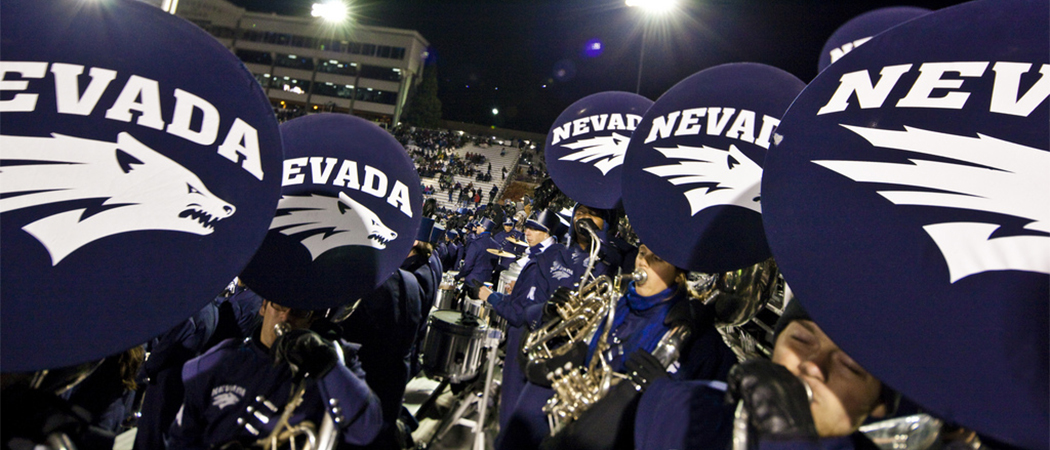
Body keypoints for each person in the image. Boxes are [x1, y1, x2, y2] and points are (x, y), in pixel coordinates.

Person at [499, 242, 735, 450]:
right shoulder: (615, 303)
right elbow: (539, 335)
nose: (643, 263)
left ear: (679, 276)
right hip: (569, 419)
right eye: (642, 253)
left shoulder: (693, 334)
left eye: (656, 259)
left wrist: (664, 391)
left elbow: (708, 417)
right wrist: (553, 316)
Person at [631, 299, 898, 450]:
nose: (814, 366)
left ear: (879, 404)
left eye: (850, 365)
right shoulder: (688, 408)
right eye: (802, 340)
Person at [167, 299, 383, 449]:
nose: (285, 316)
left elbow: (365, 429)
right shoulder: (218, 362)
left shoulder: (334, 359)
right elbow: (181, 440)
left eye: (299, 312)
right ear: (263, 307)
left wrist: (327, 364)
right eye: (278, 305)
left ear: (311, 320)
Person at [454, 217, 500, 287]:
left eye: (478, 226)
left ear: (483, 228)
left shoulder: (476, 243)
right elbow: (495, 265)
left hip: (472, 281)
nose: (477, 227)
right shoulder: (496, 245)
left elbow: (468, 266)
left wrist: (458, 276)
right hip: (487, 281)